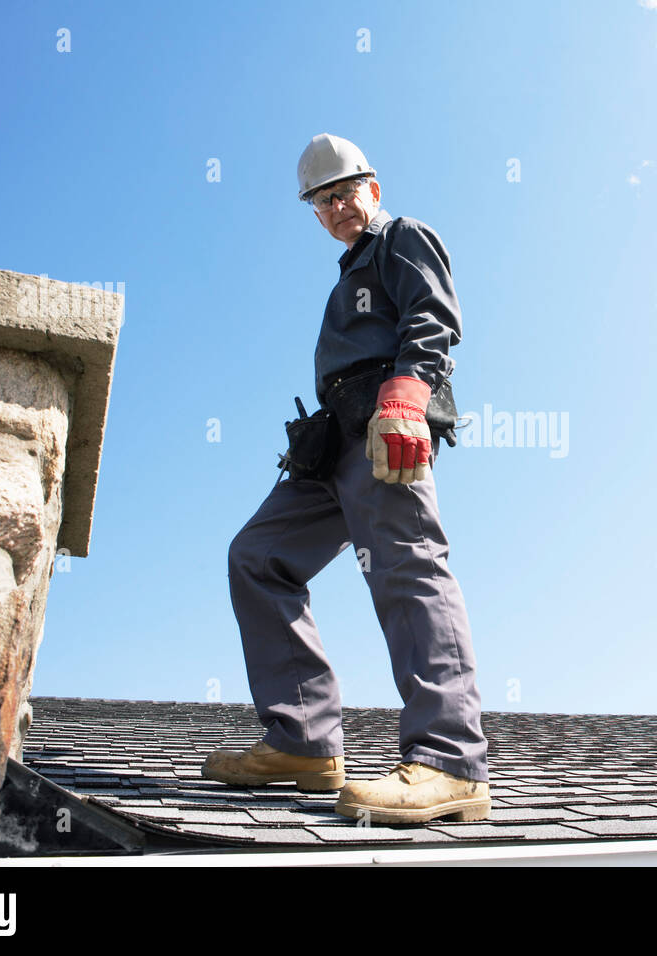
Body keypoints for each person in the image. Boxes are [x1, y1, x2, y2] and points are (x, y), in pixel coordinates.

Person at [202, 133, 490, 824]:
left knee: (406, 566)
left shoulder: (401, 239)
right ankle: (302, 740)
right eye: (321, 202)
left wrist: (404, 402)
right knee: (257, 556)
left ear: (374, 188)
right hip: (332, 445)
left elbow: (434, 318)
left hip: (385, 431)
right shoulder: (345, 278)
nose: (335, 209)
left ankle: (450, 760)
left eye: (344, 193)